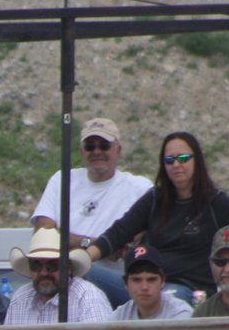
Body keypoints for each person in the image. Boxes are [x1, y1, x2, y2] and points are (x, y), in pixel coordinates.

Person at [86, 130, 229, 300]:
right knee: (81, 274)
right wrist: (82, 259)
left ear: (196, 160)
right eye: (169, 160)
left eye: (183, 158)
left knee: (167, 301)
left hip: (187, 291)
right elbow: (119, 232)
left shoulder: (215, 203)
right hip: (145, 285)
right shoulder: (155, 199)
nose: (176, 165)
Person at [32, 116, 152, 309]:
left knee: (81, 270)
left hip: (116, 282)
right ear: (82, 152)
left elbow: (149, 235)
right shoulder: (62, 179)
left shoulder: (140, 187)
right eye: (90, 146)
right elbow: (43, 232)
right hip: (63, 280)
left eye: (104, 145)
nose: (97, 151)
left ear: (118, 150)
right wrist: (97, 245)